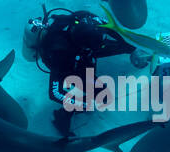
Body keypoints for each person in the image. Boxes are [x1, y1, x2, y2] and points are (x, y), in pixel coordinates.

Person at [21, 8, 149, 134]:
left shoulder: (82, 18)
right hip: (72, 65)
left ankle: (133, 50)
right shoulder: (58, 55)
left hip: (84, 51)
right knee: (104, 97)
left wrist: (131, 48)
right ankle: (60, 118)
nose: (100, 44)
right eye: (95, 44)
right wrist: (83, 104)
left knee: (110, 46)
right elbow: (55, 93)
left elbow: (110, 28)